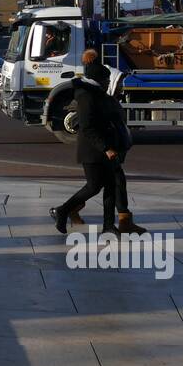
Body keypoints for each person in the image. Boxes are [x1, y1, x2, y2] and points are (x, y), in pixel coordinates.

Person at [51, 50, 119, 237]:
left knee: (111, 187)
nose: (107, 84)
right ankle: (63, 210)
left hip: (104, 147)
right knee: (93, 186)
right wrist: (106, 148)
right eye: (105, 82)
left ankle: (108, 225)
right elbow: (88, 128)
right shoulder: (86, 97)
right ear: (98, 81)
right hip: (94, 150)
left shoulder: (94, 93)